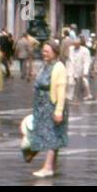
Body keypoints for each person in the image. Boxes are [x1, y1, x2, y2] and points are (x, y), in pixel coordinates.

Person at [31, 41, 68, 178]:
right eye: (43, 51)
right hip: (42, 105)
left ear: (55, 52)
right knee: (53, 135)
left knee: (51, 135)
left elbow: (61, 89)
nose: (44, 53)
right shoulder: (45, 65)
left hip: (52, 104)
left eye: (47, 51)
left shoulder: (59, 67)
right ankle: (52, 166)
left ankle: (47, 167)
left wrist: (58, 110)